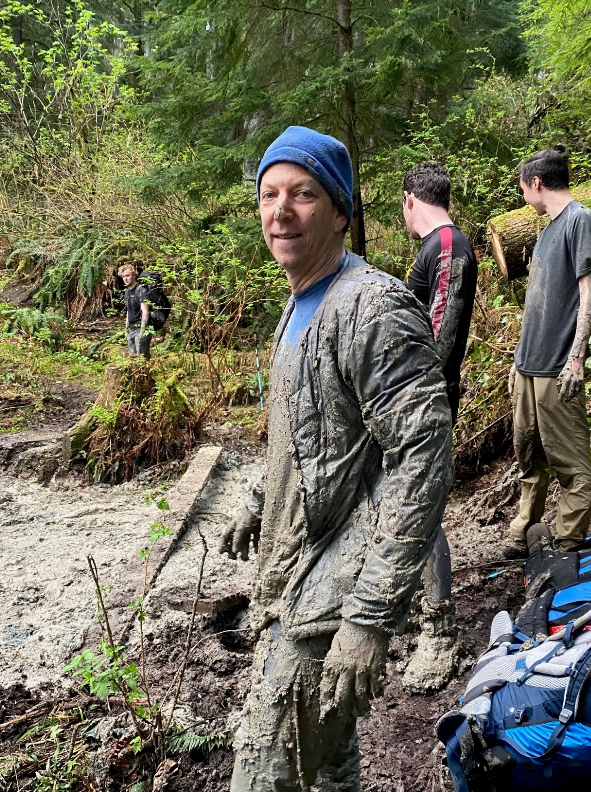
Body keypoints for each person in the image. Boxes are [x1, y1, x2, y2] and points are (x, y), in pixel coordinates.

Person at [219, 126, 453, 792]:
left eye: (302, 194)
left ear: (341, 211)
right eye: (269, 194)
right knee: (327, 764)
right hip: (297, 560)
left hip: (337, 584)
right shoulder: (298, 303)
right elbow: (308, 434)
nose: (280, 211)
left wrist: (370, 616)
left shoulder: (371, 306)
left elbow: (423, 459)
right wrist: (260, 502)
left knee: (263, 774)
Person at [400, 162, 478, 691]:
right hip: (407, 400)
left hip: (424, 402)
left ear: (410, 199)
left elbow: (442, 329)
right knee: (402, 503)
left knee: (423, 509)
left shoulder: (447, 243)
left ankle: (440, 628)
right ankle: (414, 605)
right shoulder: (436, 247)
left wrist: (414, 392)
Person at [505, 144, 591, 558]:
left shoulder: (580, 220)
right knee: (529, 456)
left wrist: (576, 357)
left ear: (537, 183)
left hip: (557, 367)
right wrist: (517, 360)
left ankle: (566, 544)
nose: (523, 199)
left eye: (524, 189)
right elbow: (538, 305)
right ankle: (523, 531)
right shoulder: (546, 229)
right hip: (529, 366)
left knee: (571, 465)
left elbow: (587, 292)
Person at [118, 261, 151, 360]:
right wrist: (126, 329)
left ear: (134, 275)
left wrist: (142, 331)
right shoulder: (127, 292)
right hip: (131, 331)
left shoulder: (141, 290)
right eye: (123, 276)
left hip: (140, 330)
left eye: (128, 275)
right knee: (133, 360)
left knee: (142, 360)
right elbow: (129, 311)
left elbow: (145, 312)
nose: (125, 279)